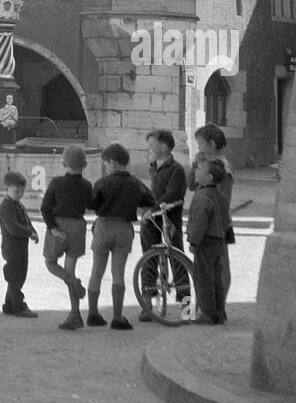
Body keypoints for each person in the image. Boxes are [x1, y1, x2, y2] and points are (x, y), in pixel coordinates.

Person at [86, 144, 156, 330]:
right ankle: (117, 317)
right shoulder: (135, 183)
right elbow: (150, 200)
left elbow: (91, 203)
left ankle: (93, 314)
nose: (106, 167)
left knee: (96, 272)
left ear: (113, 163)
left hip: (103, 226)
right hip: (124, 228)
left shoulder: (103, 182)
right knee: (118, 273)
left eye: (106, 164)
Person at [40, 145, 93, 330]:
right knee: (71, 267)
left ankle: (71, 282)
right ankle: (75, 313)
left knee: (50, 263)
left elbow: (45, 208)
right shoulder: (87, 185)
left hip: (59, 225)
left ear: (63, 163)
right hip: (78, 226)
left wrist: (52, 228)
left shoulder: (56, 183)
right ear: (85, 165)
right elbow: (90, 204)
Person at [138, 128, 189, 322]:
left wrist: (156, 207)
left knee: (178, 261)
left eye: (152, 145)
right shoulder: (153, 166)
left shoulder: (176, 169)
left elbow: (173, 194)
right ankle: (147, 304)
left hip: (169, 219)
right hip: (152, 220)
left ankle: (186, 309)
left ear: (165, 146)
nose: (149, 148)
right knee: (148, 260)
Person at [188, 123, 235, 321]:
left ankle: (212, 310)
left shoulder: (221, 170)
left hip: (214, 229)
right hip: (214, 228)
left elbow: (219, 202)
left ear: (212, 144)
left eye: (201, 145)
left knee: (216, 271)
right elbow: (191, 185)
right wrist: (195, 165)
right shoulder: (206, 165)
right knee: (214, 270)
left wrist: (196, 236)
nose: (198, 148)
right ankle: (210, 309)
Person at [0, 170, 40, 317]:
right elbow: (13, 227)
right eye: (16, 191)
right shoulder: (7, 206)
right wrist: (29, 232)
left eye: (22, 191)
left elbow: (26, 220)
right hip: (12, 246)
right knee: (15, 276)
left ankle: (9, 304)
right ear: (7, 189)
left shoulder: (17, 204)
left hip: (20, 246)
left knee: (19, 275)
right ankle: (19, 306)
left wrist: (32, 231)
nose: (20, 194)